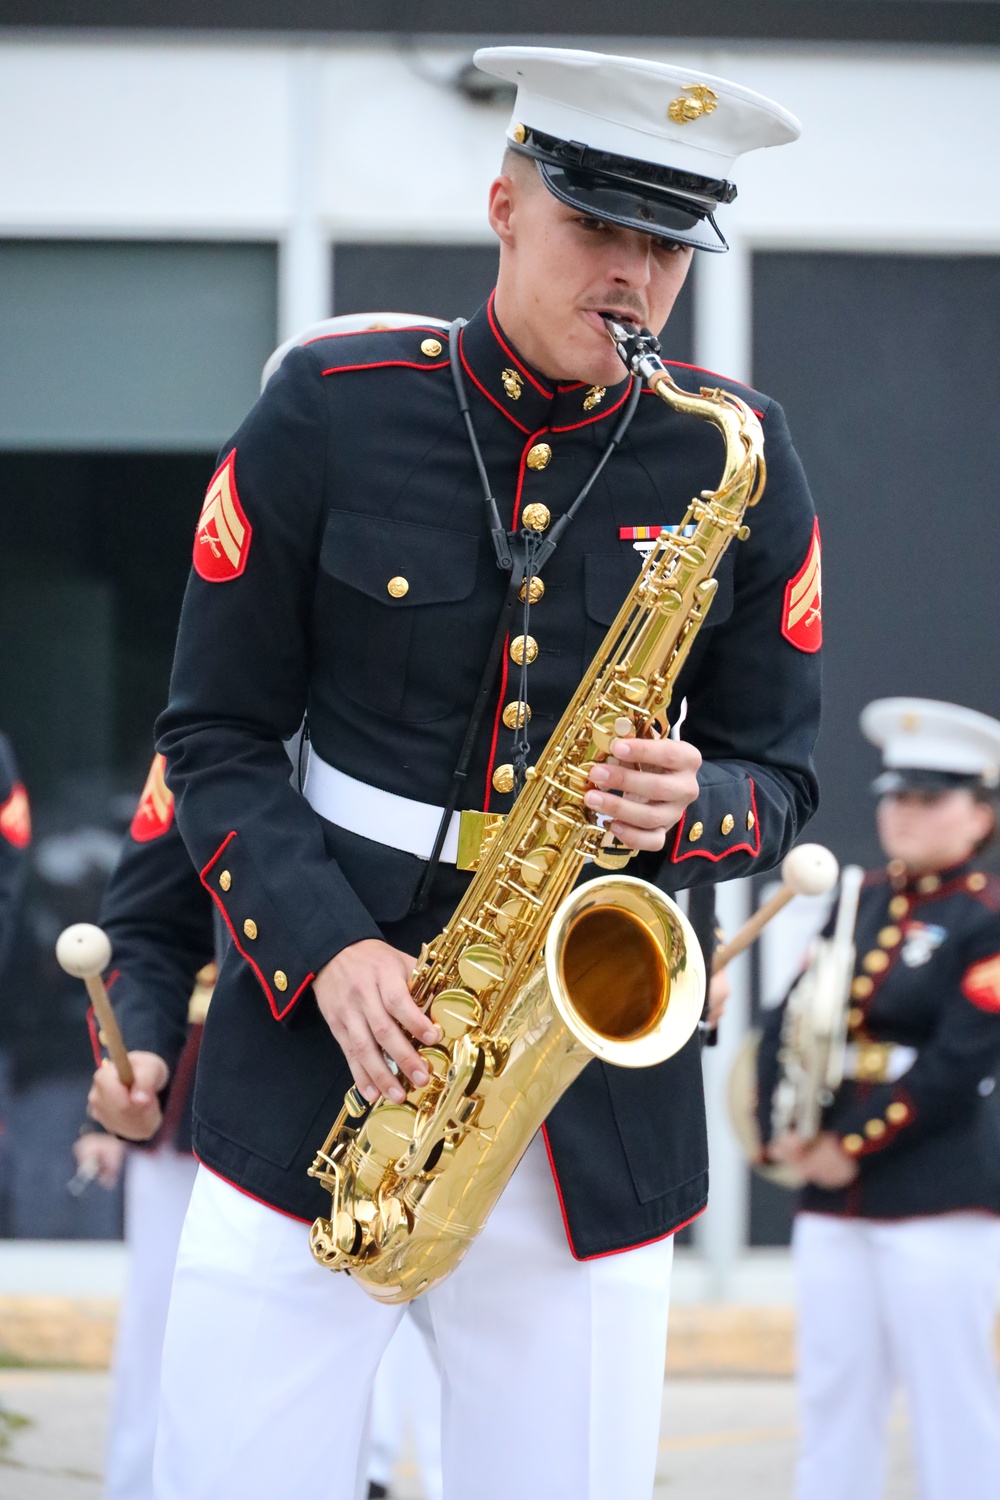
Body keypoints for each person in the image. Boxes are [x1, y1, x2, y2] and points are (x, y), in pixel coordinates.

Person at [91, 45, 821, 1500]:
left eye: (666, 246)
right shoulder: (328, 407)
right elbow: (215, 738)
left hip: (584, 1101)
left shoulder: (737, 450)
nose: (632, 277)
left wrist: (703, 803)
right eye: (596, 228)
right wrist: (329, 949)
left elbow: (784, 774)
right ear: (503, 204)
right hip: (314, 1055)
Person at [758, 697, 1000, 1500]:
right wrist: (772, 1130)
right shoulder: (858, 901)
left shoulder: (984, 918)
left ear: (980, 814)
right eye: (897, 795)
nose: (904, 813)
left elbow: (957, 1063)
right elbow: (790, 1018)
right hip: (833, 1199)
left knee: (949, 1397)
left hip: (935, 1193)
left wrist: (845, 1147)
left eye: (930, 797)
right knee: (832, 1397)